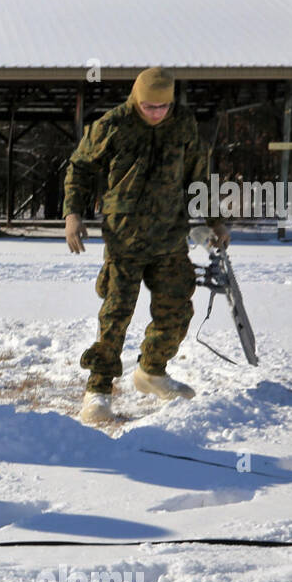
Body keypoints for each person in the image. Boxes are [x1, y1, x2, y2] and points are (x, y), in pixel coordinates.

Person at [63, 66, 229, 424]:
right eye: (148, 106)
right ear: (136, 99)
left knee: (176, 310)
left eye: (162, 107)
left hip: (170, 236)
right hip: (125, 237)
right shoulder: (112, 125)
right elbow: (79, 167)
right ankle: (98, 391)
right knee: (115, 315)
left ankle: (151, 372)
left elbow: (197, 177)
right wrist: (72, 214)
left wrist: (214, 220)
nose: (156, 112)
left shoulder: (184, 126)